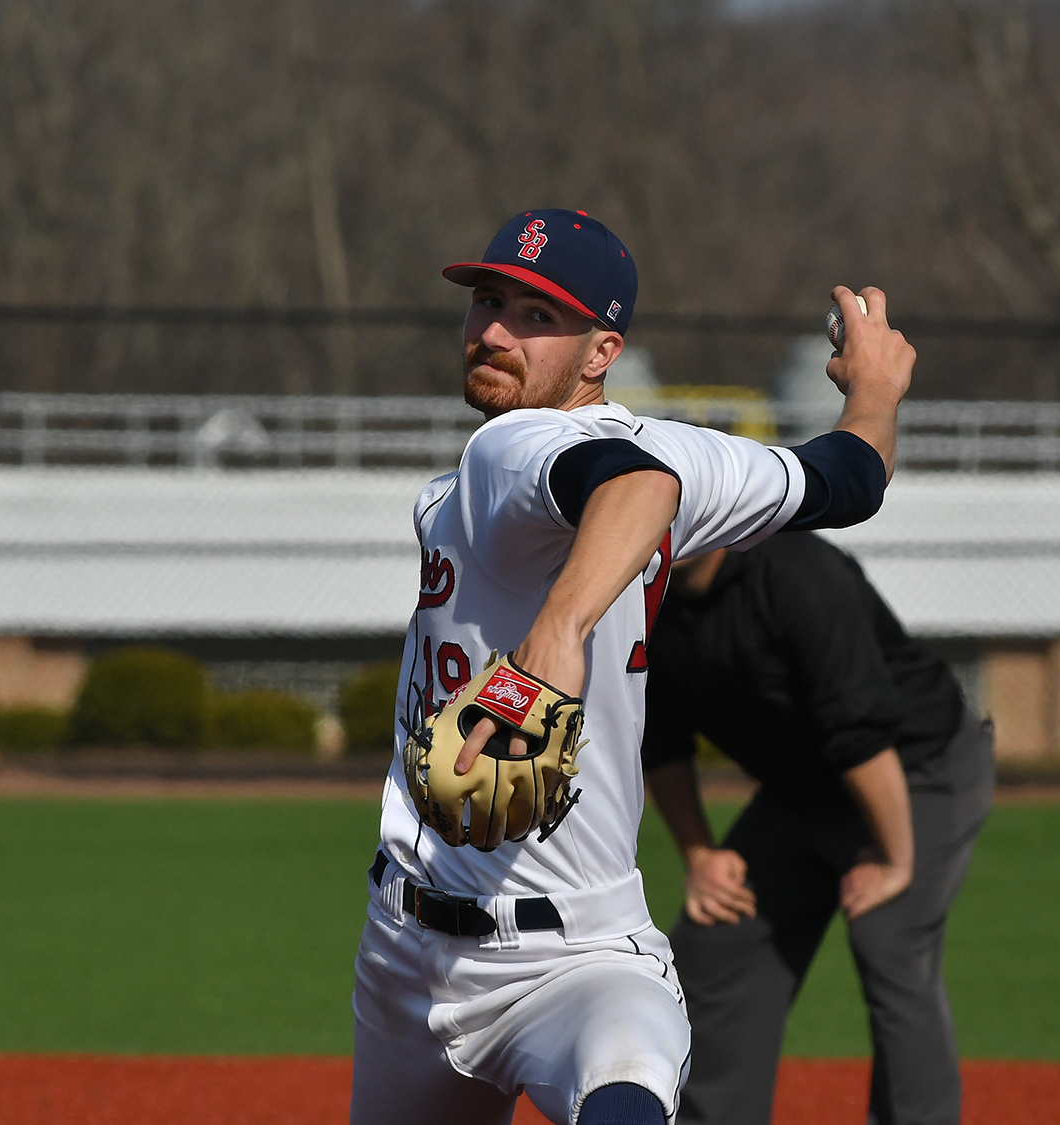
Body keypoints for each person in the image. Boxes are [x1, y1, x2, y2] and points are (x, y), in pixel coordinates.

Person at [349, 208, 917, 1125]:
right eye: (489, 301)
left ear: (601, 349)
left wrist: (559, 629)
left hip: (577, 953)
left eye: (538, 317)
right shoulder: (687, 450)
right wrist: (874, 394)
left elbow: (634, 484)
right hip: (408, 950)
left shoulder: (512, 445)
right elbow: (848, 478)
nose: (493, 329)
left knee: (629, 1087)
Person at [641, 533, 996, 1125]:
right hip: (802, 794)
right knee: (714, 940)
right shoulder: (644, 603)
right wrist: (700, 856)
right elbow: (661, 744)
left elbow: (856, 727)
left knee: (888, 934)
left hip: (918, 772)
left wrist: (895, 860)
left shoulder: (796, 570)